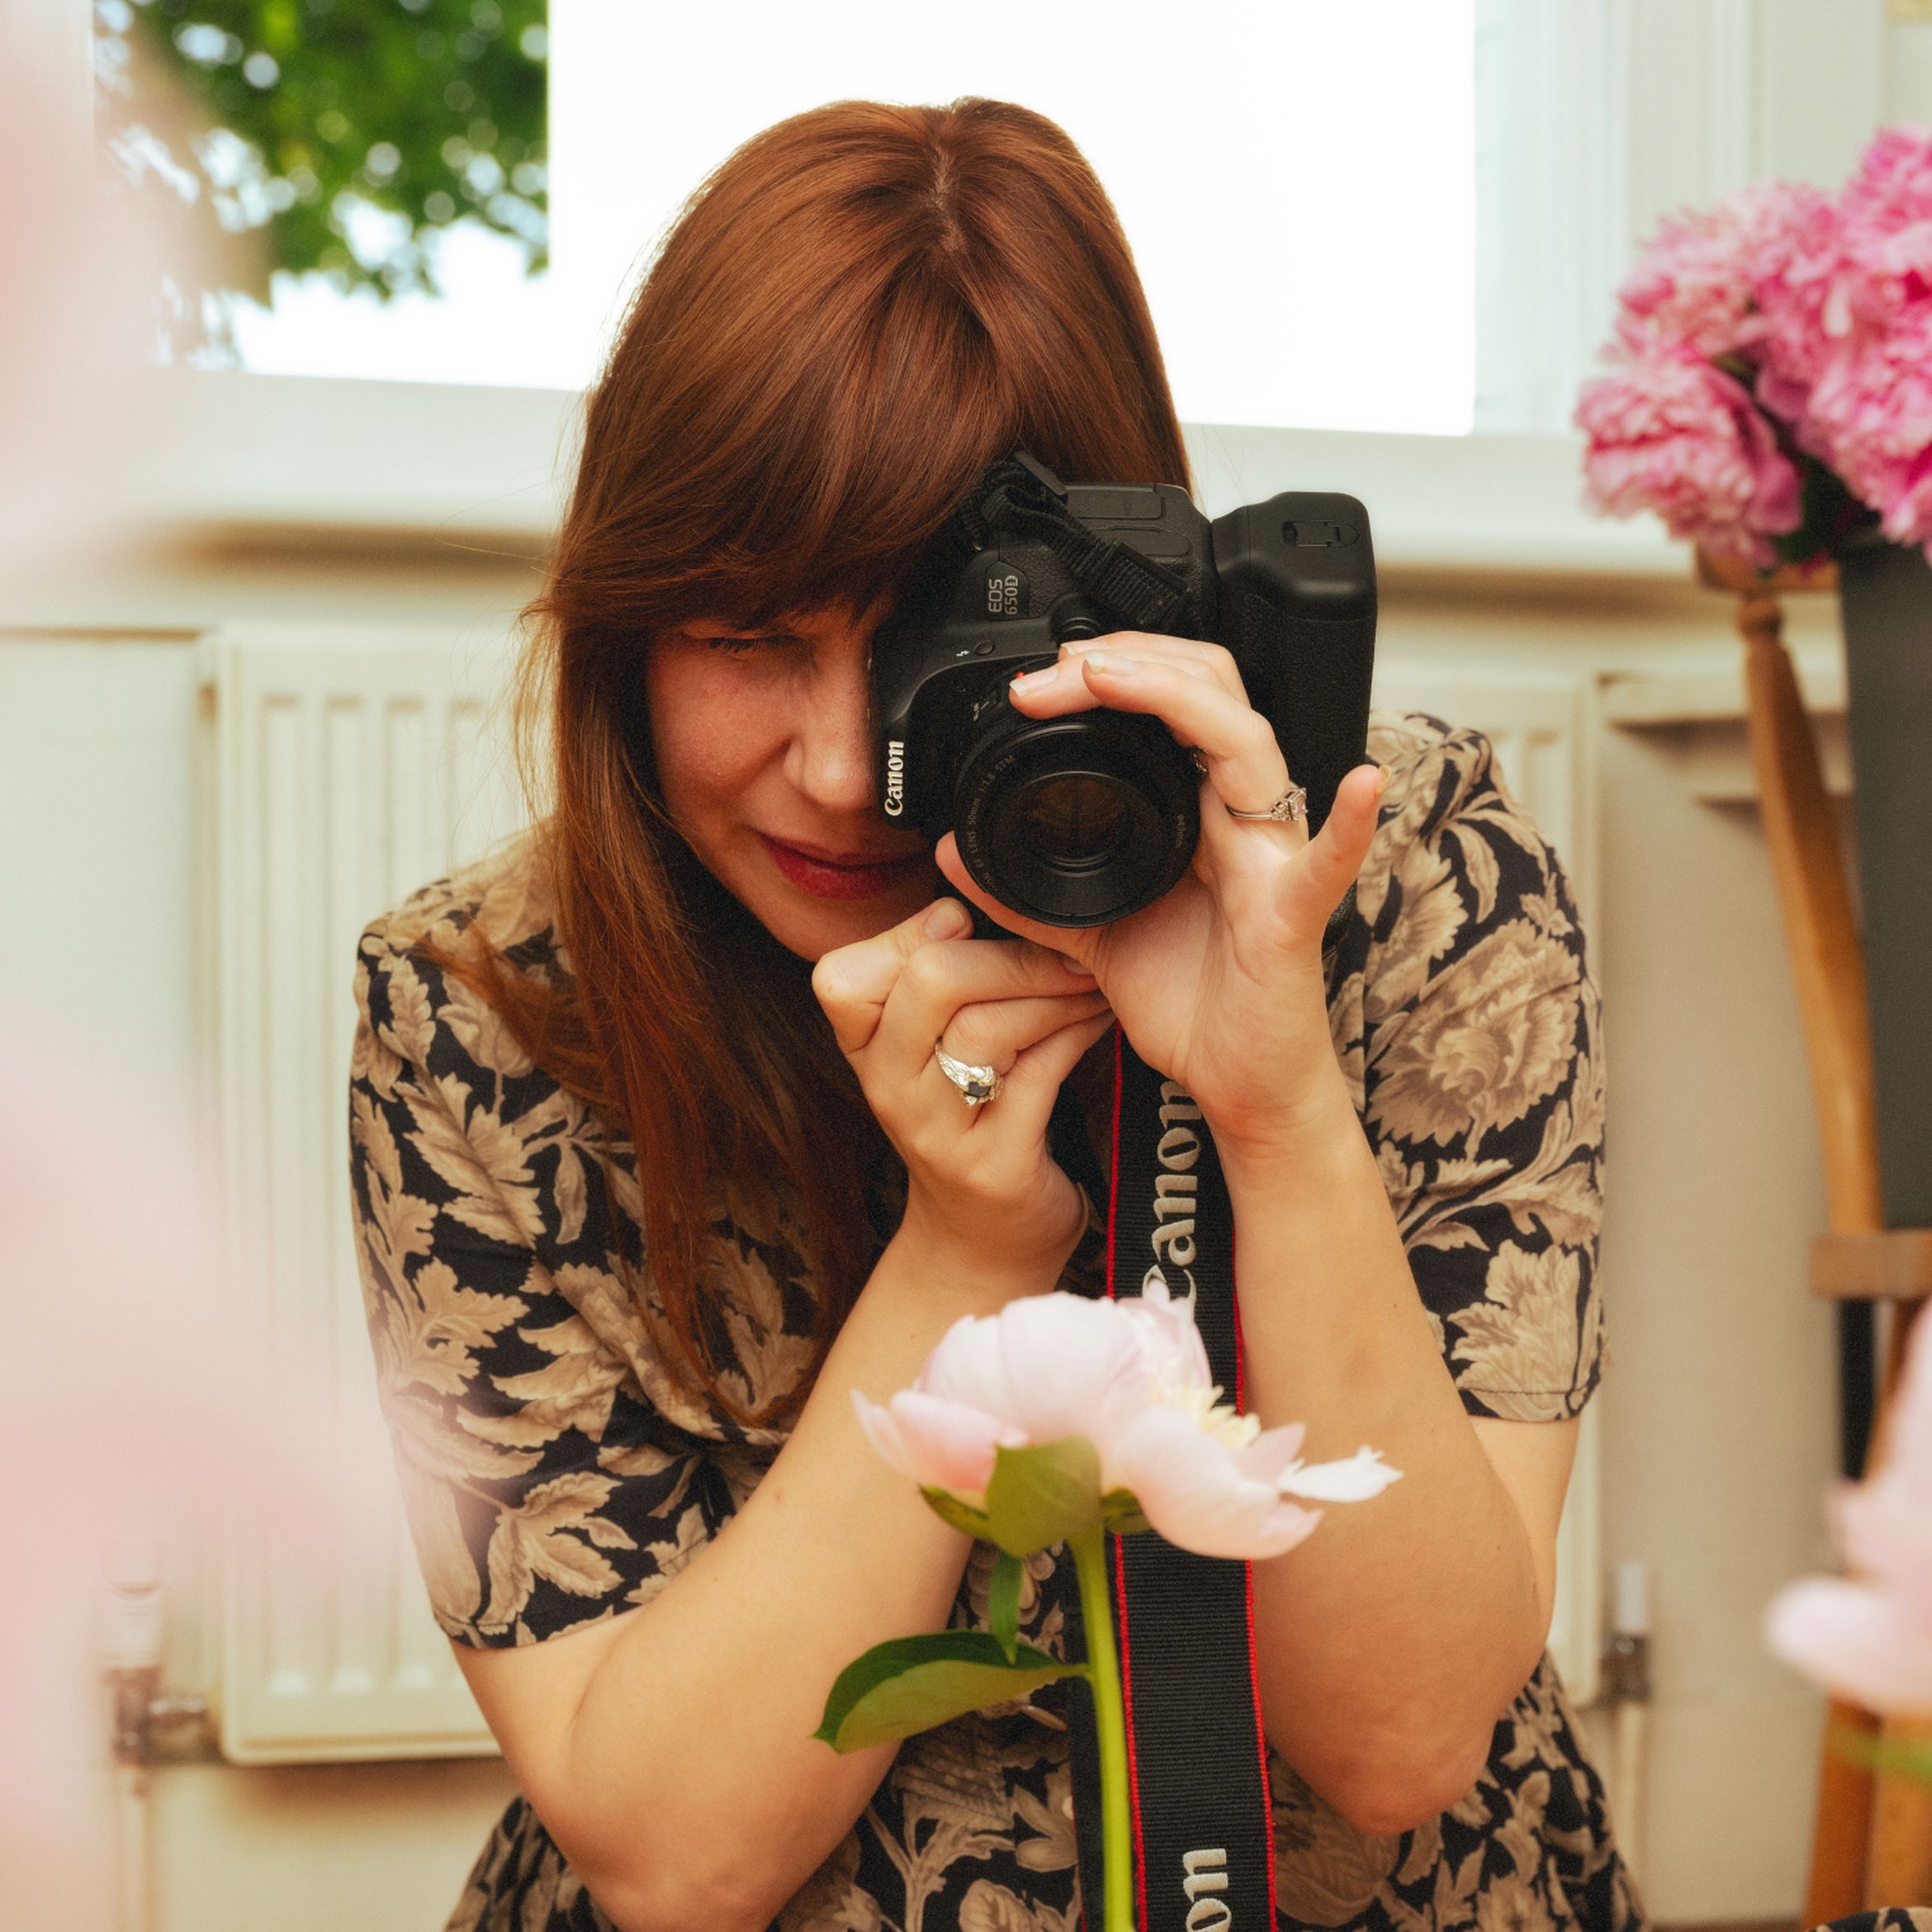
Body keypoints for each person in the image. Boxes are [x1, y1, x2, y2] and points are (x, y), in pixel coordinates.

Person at [348, 97, 1637, 1932]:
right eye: (743, 640)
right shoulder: (482, 1008)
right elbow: (674, 1856)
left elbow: (1408, 1743)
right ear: (627, 630)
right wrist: (965, 1258)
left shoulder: (1391, 870)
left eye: (924, 654)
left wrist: (1277, 1112)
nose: (835, 772)